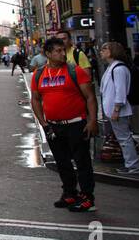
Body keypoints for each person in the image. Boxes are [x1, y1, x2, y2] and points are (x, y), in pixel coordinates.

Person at [30, 36, 98, 212]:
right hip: (53, 126)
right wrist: (44, 123)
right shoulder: (39, 74)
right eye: (58, 51)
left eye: (63, 50)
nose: (63, 54)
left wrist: (92, 121)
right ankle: (69, 193)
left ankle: (87, 197)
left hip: (77, 124)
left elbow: (90, 97)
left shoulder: (75, 71)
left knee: (82, 161)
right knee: (62, 162)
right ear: (48, 54)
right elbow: (35, 100)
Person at [99, 41, 139, 178]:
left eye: (104, 49)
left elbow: (120, 91)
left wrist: (116, 109)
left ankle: (133, 166)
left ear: (112, 51)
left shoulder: (118, 69)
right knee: (123, 138)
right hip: (114, 110)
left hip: (118, 111)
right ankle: (130, 165)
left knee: (124, 139)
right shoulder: (112, 67)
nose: (101, 51)